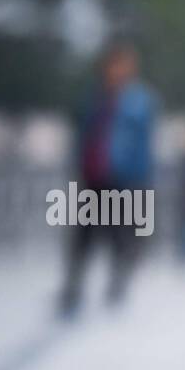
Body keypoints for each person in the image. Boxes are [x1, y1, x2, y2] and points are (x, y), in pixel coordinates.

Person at [59, 41, 156, 317]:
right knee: (83, 237)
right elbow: (83, 135)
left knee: (122, 236)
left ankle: (117, 285)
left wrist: (142, 181)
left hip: (126, 179)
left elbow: (143, 144)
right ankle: (73, 289)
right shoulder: (94, 98)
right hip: (94, 176)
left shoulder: (139, 101)